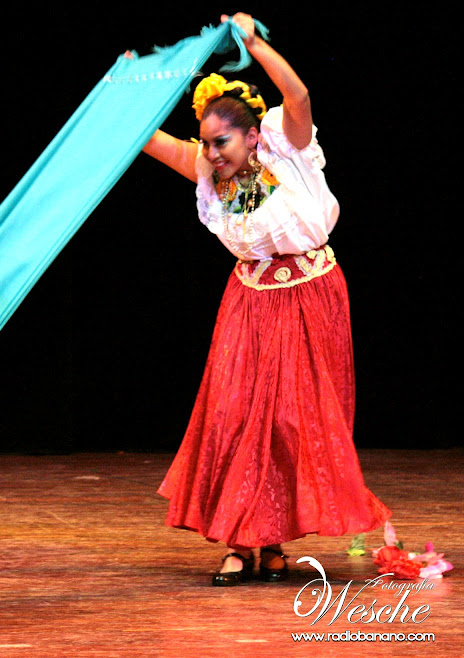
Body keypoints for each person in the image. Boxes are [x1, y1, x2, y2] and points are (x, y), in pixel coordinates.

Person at [144, 14, 391, 585]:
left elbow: (297, 92)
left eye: (221, 141)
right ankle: (240, 541)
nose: (211, 152)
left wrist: (253, 44)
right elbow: (143, 140)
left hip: (311, 296)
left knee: (286, 423)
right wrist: (120, 99)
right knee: (234, 418)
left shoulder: (288, 147)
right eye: (205, 143)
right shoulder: (212, 173)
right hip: (249, 300)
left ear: (252, 135)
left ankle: (270, 541)